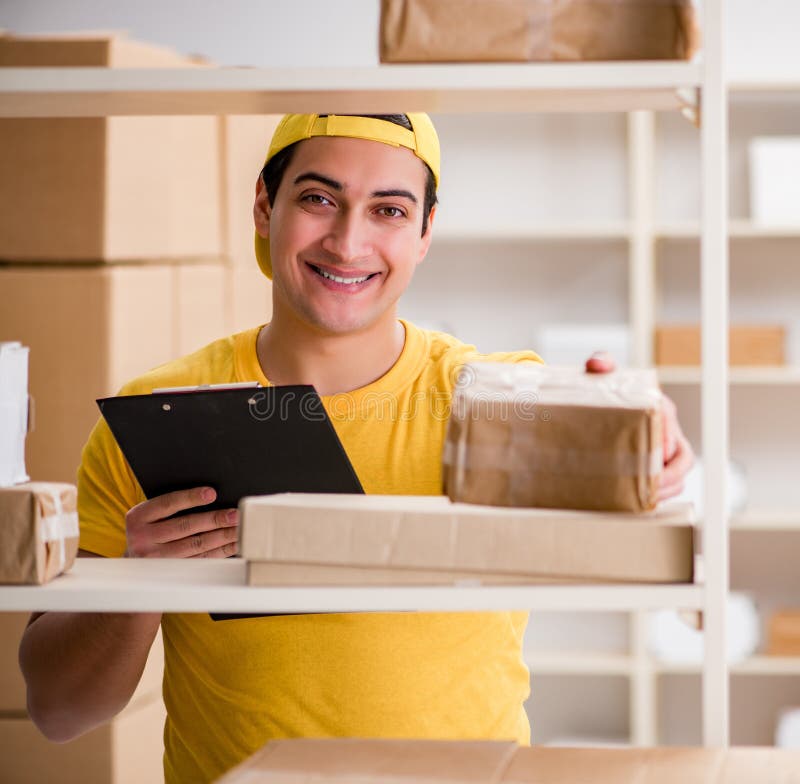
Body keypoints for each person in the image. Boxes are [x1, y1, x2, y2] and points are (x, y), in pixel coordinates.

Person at [19, 113, 693, 783]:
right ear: (264, 205)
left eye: (389, 210)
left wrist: (646, 440)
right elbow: (58, 712)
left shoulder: (491, 403)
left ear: (426, 231)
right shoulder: (156, 420)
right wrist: (137, 587)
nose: (347, 242)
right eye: (318, 199)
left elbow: (648, 505)